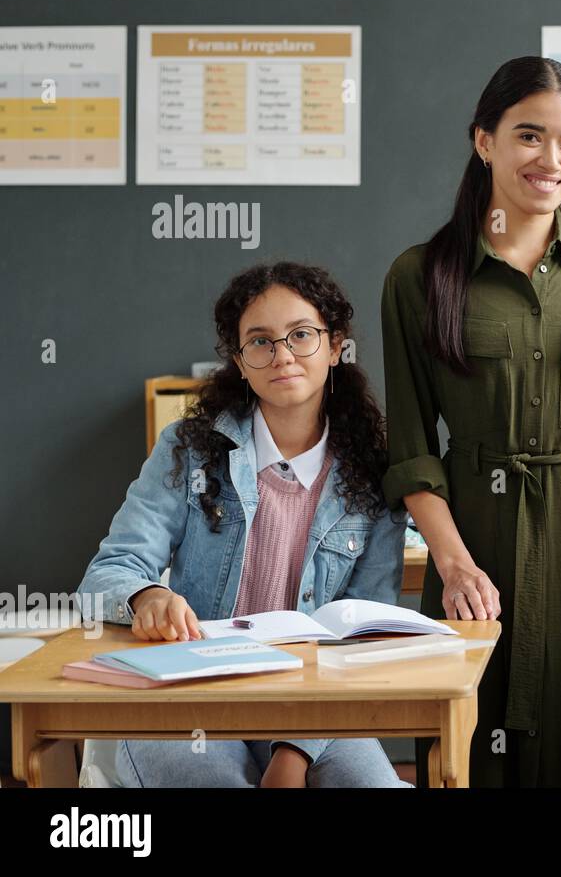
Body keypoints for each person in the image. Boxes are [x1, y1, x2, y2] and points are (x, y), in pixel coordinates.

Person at [382, 56, 561, 786]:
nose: (552, 159)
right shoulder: (420, 278)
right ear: (484, 141)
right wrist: (452, 565)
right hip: (478, 544)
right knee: (473, 746)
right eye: (530, 136)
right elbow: (413, 449)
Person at [77, 262, 409, 787]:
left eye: (301, 335)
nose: (282, 355)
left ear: (336, 345)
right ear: (240, 360)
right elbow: (108, 574)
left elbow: (365, 632)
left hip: (319, 707)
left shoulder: (375, 472)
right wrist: (145, 597)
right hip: (188, 697)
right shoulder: (188, 449)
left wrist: (294, 751)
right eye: (260, 342)